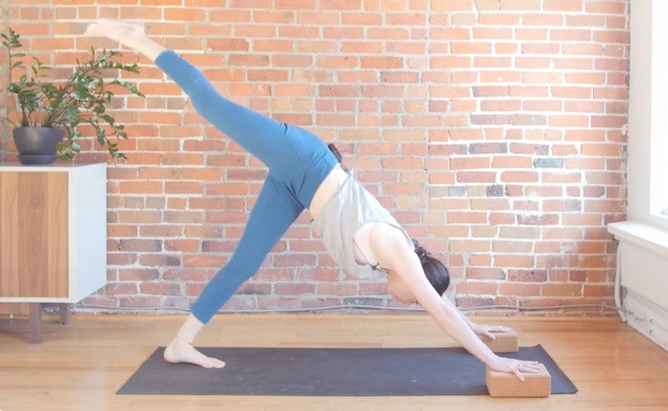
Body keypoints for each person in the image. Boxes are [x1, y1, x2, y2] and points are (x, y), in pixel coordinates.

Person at [84, 19, 541, 381]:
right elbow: (437, 306)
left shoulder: (399, 262)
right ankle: (138, 39)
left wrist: (478, 329)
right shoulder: (396, 250)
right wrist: (494, 361)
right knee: (209, 105)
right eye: (412, 297)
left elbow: (440, 301)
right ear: (417, 275)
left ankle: (181, 343)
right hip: (306, 161)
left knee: (243, 265)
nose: (408, 301)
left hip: (296, 189)